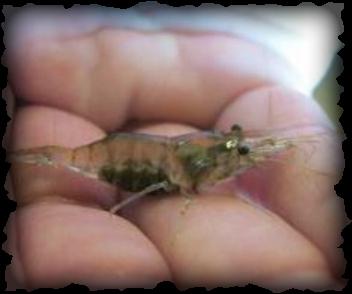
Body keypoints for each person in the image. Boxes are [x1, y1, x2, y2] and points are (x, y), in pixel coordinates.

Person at [4, 5, 345, 290]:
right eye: (237, 147)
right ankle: (44, 158)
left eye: (237, 146)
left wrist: (265, 46)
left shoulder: (216, 148)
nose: (241, 152)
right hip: (120, 145)